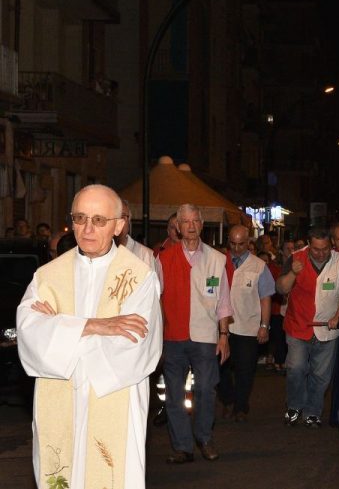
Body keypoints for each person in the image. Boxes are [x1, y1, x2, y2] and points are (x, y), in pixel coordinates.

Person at [16, 184, 162, 489]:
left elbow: (134, 345)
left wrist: (60, 328)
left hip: (114, 397)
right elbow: (29, 332)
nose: (87, 229)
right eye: (80, 218)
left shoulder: (139, 278)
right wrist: (94, 326)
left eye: (99, 220)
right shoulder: (48, 276)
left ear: (118, 225)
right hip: (60, 400)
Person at [157, 203, 233, 463]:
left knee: (206, 390)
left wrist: (224, 335)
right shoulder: (163, 259)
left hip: (205, 337)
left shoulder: (217, 259)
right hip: (173, 337)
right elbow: (155, 300)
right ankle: (182, 447)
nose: (191, 226)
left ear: (202, 224)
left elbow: (223, 300)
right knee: (174, 395)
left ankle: (204, 438)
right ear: (178, 226)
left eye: (195, 221)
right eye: (185, 221)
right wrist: (157, 337)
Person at [276, 226, 339, 428]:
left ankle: (313, 412)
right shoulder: (296, 258)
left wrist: (338, 315)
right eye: (316, 249)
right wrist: (293, 273)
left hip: (327, 328)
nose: (321, 254)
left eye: (325, 249)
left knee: (321, 375)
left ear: (331, 245)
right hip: (298, 325)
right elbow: (281, 288)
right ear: (308, 245)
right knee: (296, 368)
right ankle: (294, 406)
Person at [218, 225, 274, 422]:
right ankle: (228, 401)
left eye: (241, 244)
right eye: (233, 243)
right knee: (219, 368)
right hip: (222, 327)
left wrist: (264, 326)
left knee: (245, 370)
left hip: (248, 327)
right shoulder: (219, 262)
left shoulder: (259, 266)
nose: (236, 248)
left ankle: (241, 407)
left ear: (249, 242)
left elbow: (265, 298)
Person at [268, 240, 293, 373]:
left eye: (293, 248)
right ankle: (279, 360)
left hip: (291, 307)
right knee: (278, 335)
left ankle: (286, 361)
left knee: (289, 336)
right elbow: (271, 286)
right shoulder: (274, 267)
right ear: (282, 251)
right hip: (278, 306)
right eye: (288, 248)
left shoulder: (296, 265)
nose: (291, 251)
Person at [116, 199, 157, 271]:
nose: (117, 222)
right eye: (112, 217)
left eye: (122, 217)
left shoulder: (144, 255)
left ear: (129, 221)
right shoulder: (95, 252)